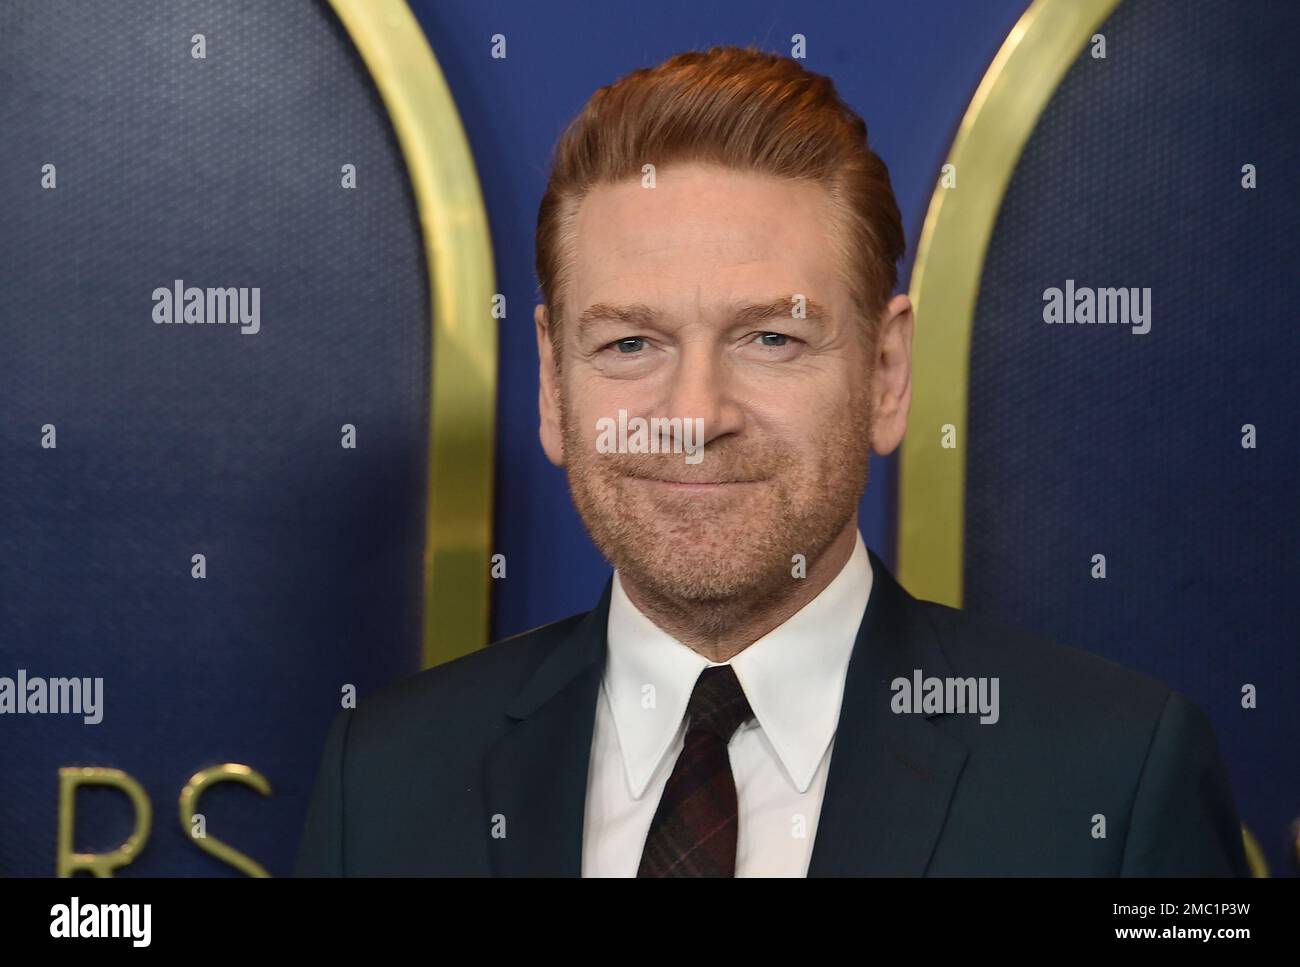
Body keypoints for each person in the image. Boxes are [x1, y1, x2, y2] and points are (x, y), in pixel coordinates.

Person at [295, 45, 1248, 876]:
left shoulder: (1113, 781)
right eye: (630, 344)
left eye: (771, 340)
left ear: (885, 371)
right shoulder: (382, 781)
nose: (695, 417)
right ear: (552, 384)